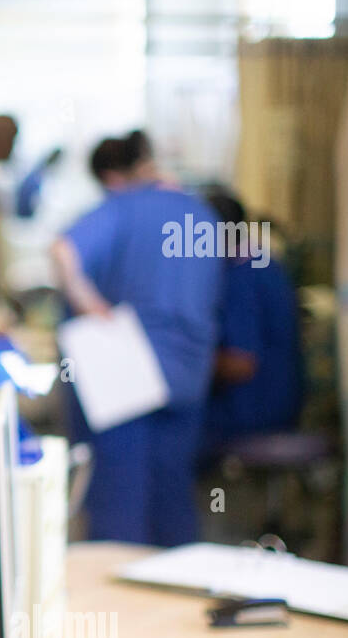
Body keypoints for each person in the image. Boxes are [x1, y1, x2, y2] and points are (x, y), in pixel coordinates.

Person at [51, 133, 224, 546]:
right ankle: (175, 596)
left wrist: (94, 308)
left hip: (127, 371)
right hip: (188, 371)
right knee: (173, 499)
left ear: (110, 177)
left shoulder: (121, 208)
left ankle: (119, 607)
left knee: (119, 504)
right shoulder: (201, 214)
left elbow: (61, 251)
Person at [201, 187, 303, 453]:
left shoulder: (239, 277)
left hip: (252, 412)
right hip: (279, 402)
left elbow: (241, 364)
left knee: (165, 436)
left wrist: (182, 360)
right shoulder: (261, 262)